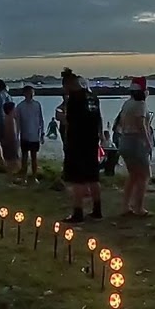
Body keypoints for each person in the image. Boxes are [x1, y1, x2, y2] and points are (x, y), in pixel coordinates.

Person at [60, 69, 103, 222]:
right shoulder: (92, 97)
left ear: (70, 85)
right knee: (93, 176)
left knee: (77, 179)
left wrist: (62, 118)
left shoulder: (74, 100)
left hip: (77, 142)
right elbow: (99, 118)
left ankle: (78, 212)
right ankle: (97, 209)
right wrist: (100, 136)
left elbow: (71, 122)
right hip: (92, 141)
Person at [116, 76, 152, 216]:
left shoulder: (127, 104)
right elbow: (141, 125)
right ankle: (139, 208)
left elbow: (120, 122)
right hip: (136, 142)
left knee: (133, 175)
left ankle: (125, 206)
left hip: (124, 140)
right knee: (144, 175)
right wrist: (148, 142)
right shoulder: (140, 105)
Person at [14, 84, 45, 182]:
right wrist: (17, 135)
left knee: (34, 157)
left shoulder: (37, 105)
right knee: (24, 156)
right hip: (25, 135)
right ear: (24, 94)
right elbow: (18, 121)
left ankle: (34, 176)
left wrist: (42, 133)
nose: (31, 95)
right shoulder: (20, 106)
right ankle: (24, 176)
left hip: (35, 135)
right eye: (28, 93)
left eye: (32, 93)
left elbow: (41, 120)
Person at [1, 100, 21, 174]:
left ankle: (10, 176)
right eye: (14, 109)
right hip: (11, 143)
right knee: (13, 161)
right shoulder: (10, 119)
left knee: (10, 161)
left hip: (7, 143)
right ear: (11, 110)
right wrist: (15, 143)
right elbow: (12, 133)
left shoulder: (6, 118)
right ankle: (11, 177)